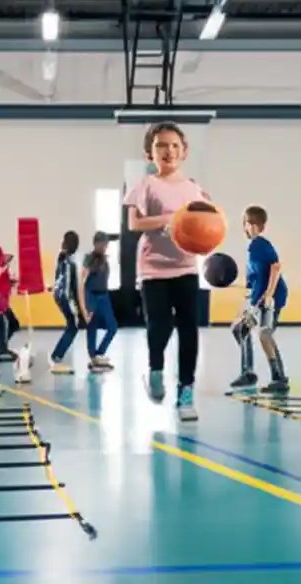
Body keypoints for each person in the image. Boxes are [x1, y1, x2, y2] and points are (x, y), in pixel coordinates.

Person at [124, 122, 210, 421]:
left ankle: (186, 391)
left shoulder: (194, 189)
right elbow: (134, 224)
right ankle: (156, 370)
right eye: (161, 145)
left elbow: (208, 226)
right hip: (153, 269)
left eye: (174, 145)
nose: (168, 151)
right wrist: (168, 220)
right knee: (158, 325)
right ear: (150, 152)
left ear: (184, 151)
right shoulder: (145, 186)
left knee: (189, 330)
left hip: (186, 267)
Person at [229, 205, 290, 394]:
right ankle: (248, 373)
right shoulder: (253, 247)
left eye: (247, 224)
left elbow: (275, 267)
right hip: (258, 299)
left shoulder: (260, 244)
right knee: (240, 329)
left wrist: (269, 296)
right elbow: (255, 280)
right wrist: (248, 300)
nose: (246, 228)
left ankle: (279, 378)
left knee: (264, 333)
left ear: (251, 225)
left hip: (270, 297)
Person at [80, 232, 118, 373]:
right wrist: (84, 305)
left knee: (112, 326)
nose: (105, 247)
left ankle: (99, 353)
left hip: (104, 296)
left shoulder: (104, 259)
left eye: (106, 244)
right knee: (92, 327)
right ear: (96, 244)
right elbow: (82, 280)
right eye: (103, 244)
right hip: (92, 295)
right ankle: (93, 357)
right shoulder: (89, 259)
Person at [49, 231, 86, 374]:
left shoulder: (61, 258)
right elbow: (71, 287)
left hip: (58, 295)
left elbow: (59, 279)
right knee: (73, 326)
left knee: (71, 325)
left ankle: (56, 356)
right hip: (65, 297)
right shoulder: (70, 263)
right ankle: (56, 357)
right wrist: (80, 310)